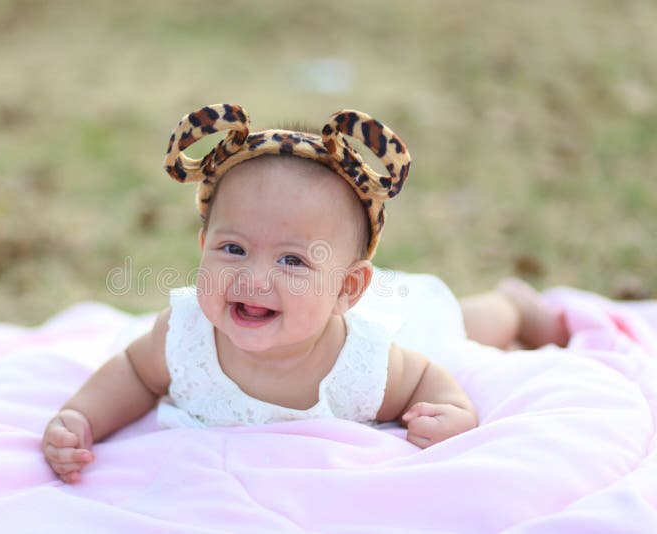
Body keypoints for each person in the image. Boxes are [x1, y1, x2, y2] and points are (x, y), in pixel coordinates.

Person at [42, 104, 569, 484]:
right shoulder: (184, 336)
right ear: (203, 245)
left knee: (456, 327)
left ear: (347, 287)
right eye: (232, 249)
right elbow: (133, 374)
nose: (254, 278)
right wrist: (81, 417)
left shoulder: (364, 362)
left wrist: (451, 411)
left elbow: (427, 380)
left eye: (292, 260)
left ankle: (512, 304)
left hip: (403, 322)